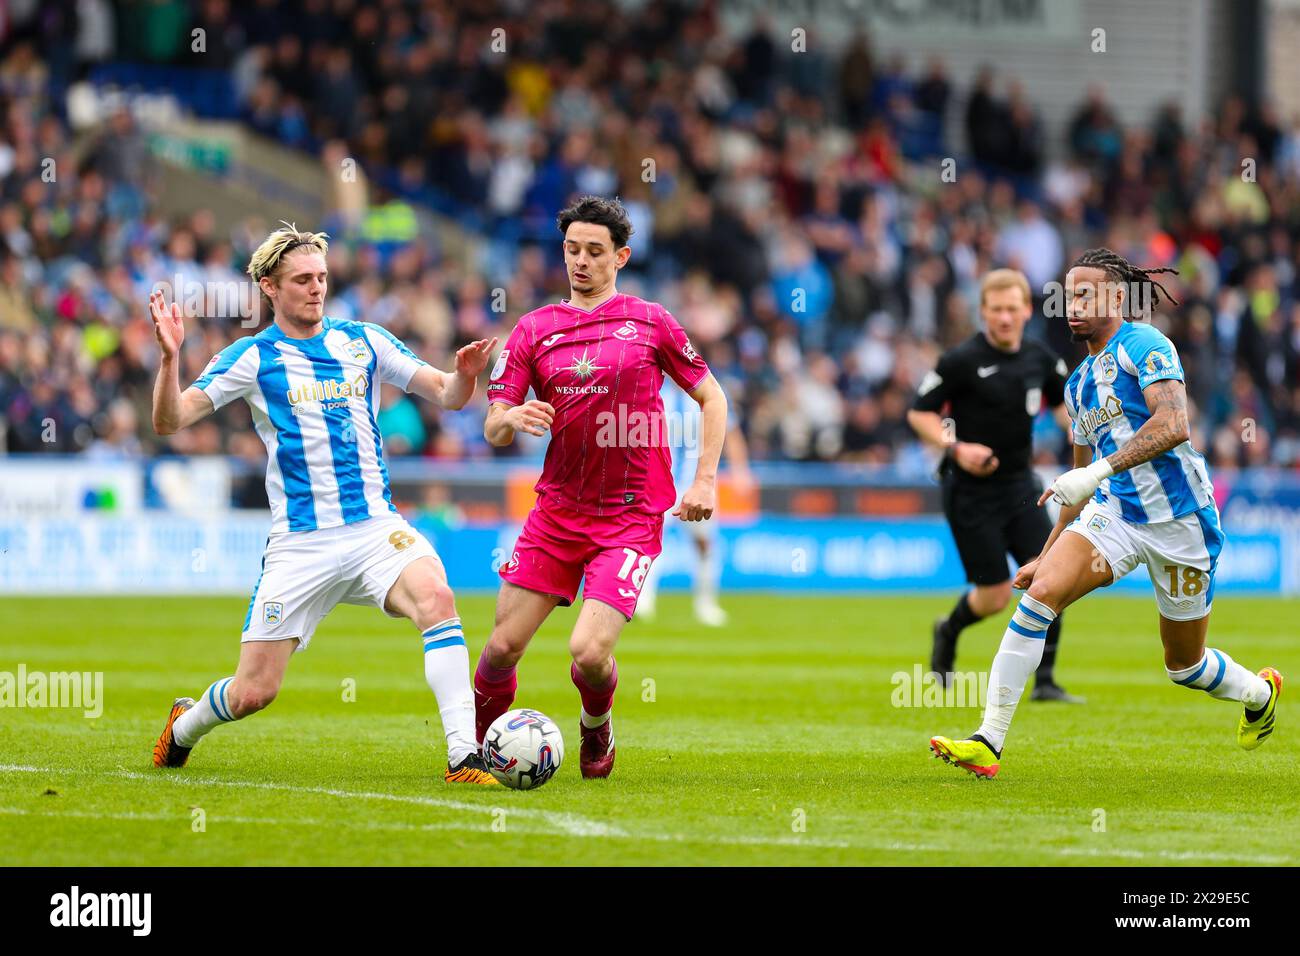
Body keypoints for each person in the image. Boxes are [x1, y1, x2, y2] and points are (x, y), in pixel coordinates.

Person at [149, 223, 501, 785]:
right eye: (301, 280)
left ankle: (464, 756)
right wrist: (170, 360)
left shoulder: (363, 340)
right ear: (269, 286)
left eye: (321, 278)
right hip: (301, 544)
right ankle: (185, 726)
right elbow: (169, 421)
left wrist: (463, 377)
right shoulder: (252, 357)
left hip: (373, 529)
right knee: (253, 693)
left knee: (437, 596)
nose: (316, 288)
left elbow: (447, 395)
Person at [930, 249, 1282, 778]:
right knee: (1042, 594)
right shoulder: (1076, 386)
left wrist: (1097, 472)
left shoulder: (1146, 344)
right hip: (1115, 515)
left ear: (1117, 298)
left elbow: (1173, 424)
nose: (1073, 305)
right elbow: (1075, 488)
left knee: (1184, 666)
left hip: (1182, 521)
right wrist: (1041, 557)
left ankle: (1258, 692)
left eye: (1086, 295)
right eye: (1070, 295)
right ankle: (989, 740)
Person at [475, 195, 728, 778]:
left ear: (621, 256)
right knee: (500, 649)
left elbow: (711, 396)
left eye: (594, 251)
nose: (581, 262)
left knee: (588, 652)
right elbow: (493, 422)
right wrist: (509, 418)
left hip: (630, 514)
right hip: (557, 511)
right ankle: (478, 752)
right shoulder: (533, 328)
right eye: (572, 250)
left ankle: (596, 726)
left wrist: (705, 481)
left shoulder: (651, 321)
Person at [908, 269, 1079, 701]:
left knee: (1051, 573)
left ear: (1026, 310)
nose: (1004, 318)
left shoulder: (1042, 359)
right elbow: (920, 414)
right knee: (995, 595)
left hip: (1021, 485)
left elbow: (1064, 409)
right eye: (996, 309)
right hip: (970, 491)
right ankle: (948, 630)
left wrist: (1089, 435)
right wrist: (956, 447)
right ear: (983, 311)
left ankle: (1045, 682)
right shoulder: (960, 360)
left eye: (1012, 309)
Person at [636, 376, 753, 627]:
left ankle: (706, 604)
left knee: (704, 543)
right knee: (648, 541)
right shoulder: (654, 393)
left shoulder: (710, 394)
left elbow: (730, 434)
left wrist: (740, 471)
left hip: (698, 485)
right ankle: (643, 600)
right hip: (660, 486)